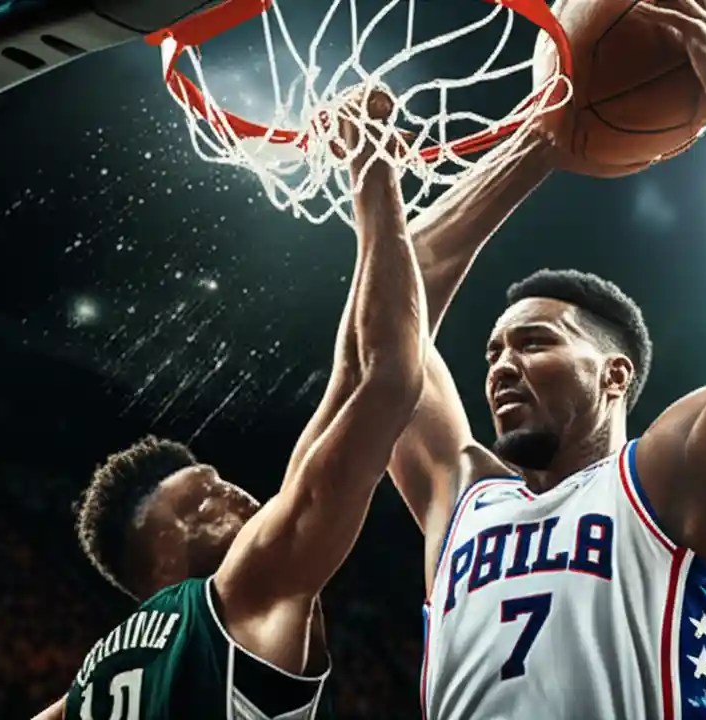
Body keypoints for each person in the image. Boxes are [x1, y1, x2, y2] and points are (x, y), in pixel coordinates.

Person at [388, 1, 706, 718]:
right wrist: (540, 136)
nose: (499, 364)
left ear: (613, 375)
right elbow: (397, 300)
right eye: (493, 348)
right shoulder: (458, 492)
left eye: (535, 341)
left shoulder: (673, 473)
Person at [32, 89, 428, 720]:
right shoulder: (242, 591)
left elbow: (351, 376)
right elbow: (389, 382)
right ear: (162, 556)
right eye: (201, 503)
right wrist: (371, 164)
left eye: (216, 484)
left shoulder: (87, 686)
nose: (235, 496)